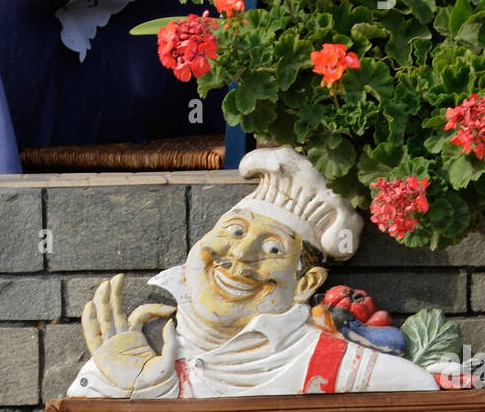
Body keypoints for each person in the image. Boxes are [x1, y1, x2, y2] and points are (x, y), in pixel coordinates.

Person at [68, 145, 440, 398]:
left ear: (305, 285)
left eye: (273, 248)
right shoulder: (142, 358)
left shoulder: (344, 368)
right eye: (233, 231)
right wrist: (130, 388)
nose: (241, 254)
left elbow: (430, 405)